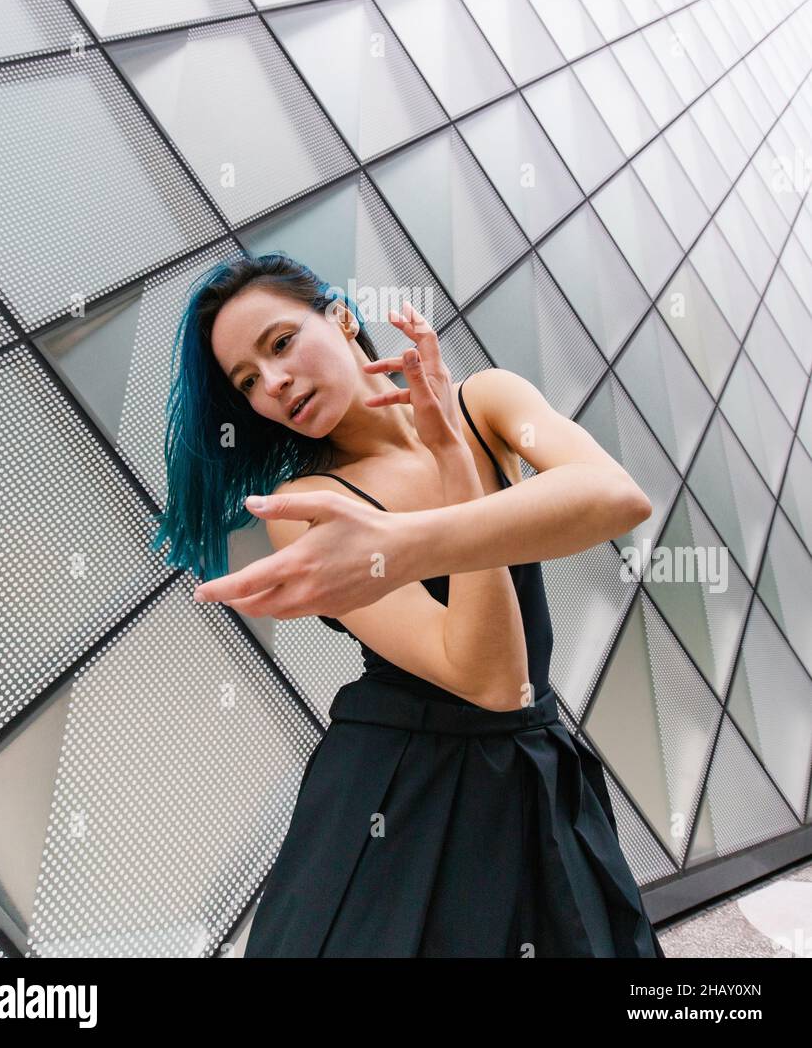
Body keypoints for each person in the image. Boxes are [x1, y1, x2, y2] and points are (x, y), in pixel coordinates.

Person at [152, 251, 666, 958]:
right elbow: (489, 678)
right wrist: (456, 482)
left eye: (279, 343)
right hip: (398, 789)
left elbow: (615, 496)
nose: (274, 382)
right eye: (249, 381)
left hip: (531, 764)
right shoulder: (310, 506)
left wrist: (420, 512)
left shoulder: (486, 401)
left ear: (339, 316)